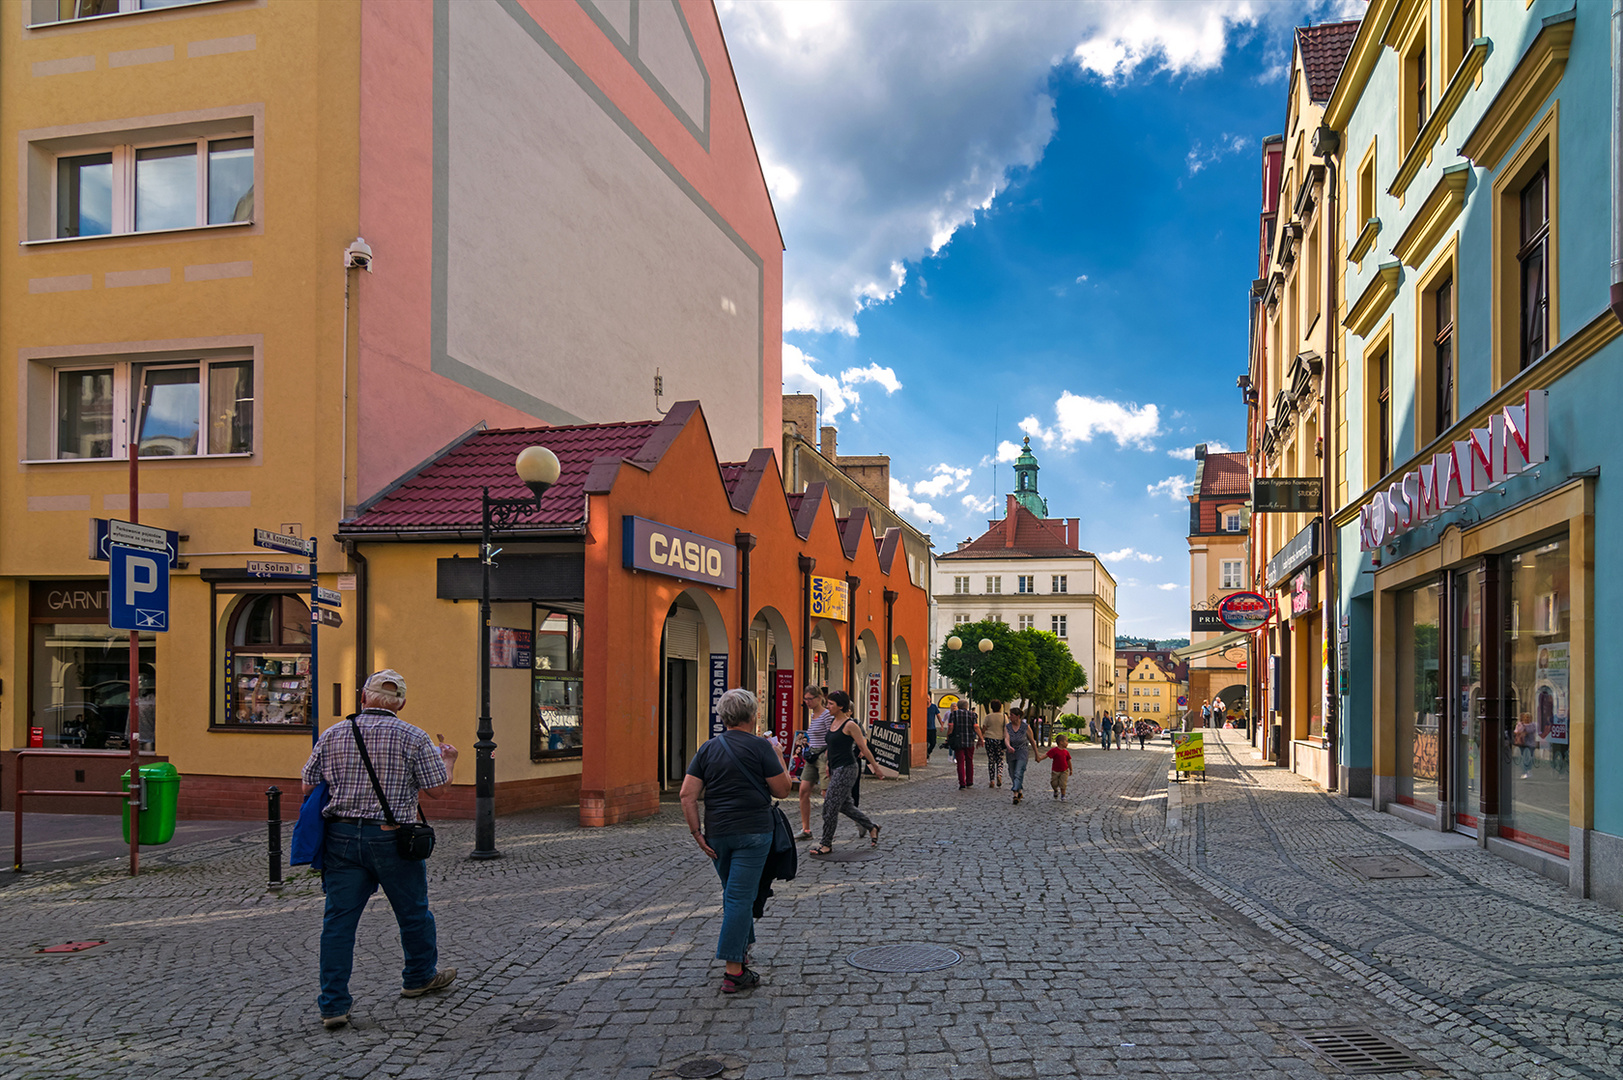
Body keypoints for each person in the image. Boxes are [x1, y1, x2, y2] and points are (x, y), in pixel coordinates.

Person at [302, 669, 459, 1031]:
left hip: (341, 837)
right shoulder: (413, 736)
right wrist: (449, 760)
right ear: (401, 703)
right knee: (413, 912)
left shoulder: (334, 734)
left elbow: (308, 784)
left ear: (362, 698)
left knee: (338, 922)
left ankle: (333, 1005)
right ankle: (419, 976)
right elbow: (437, 790)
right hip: (393, 839)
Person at [680, 688, 791, 994]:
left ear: (723, 717)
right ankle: (734, 971)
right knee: (739, 898)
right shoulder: (761, 747)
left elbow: (687, 795)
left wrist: (697, 833)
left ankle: (743, 945)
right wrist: (779, 756)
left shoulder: (707, 749)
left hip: (718, 834)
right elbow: (782, 790)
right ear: (753, 715)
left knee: (733, 893)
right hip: (753, 833)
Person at [809, 690, 888, 856]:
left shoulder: (850, 725)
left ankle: (826, 844)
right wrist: (828, 763)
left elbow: (863, 747)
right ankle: (871, 826)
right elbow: (831, 746)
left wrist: (876, 767)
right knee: (845, 805)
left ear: (841, 706)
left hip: (847, 768)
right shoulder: (832, 721)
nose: (827, 706)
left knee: (830, 805)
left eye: (831, 704)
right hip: (835, 767)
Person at [796, 686, 833, 839]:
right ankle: (806, 829)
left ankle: (856, 819)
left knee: (826, 793)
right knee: (803, 791)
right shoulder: (812, 715)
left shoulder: (827, 715)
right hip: (812, 756)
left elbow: (832, 737)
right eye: (805, 699)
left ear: (819, 698)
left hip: (823, 756)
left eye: (810, 699)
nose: (807, 702)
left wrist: (828, 759)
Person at [944, 696, 981, 788]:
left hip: (958, 741)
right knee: (969, 761)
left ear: (958, 706)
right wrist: (981, 737)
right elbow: (976, 727)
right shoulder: (973, 715)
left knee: (960, 762)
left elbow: (950, 727)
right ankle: (969, 781)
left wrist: (948, 738)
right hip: (969, 741)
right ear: (967, 706)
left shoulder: (953, 714)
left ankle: (962, 783)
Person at [1005, 707, 1034, 804]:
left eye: (1012, 715)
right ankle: (1019, 791)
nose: (1010, 717)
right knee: (1012, 773)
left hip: (1022, 751)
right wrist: (1008, 746)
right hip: (1011, 752)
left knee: (1018, 772)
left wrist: (1037, 754)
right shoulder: (1008, 727)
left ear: (1018, 716)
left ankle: (1015, 794)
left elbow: (1032, 741)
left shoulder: (1025, 727)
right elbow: (1006, 738)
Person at [981, 700, 1008, 787]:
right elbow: (1007, 728)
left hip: (989, 739)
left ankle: (992, 781)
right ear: (1000, 707)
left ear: (991, 707)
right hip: (1000, 739)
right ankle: (999, 774)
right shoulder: (1004, 716)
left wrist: (981, 737)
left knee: (991, 760)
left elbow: (984, 728)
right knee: (1000, 759)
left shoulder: (988, 717)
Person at [1044, 734, 1073, 799]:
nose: (1067, 743)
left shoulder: (1066, 752)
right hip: (1055, 771)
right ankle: (1055, 790)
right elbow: (1047, 755)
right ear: (1061, 742)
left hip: (1064, 770)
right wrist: (1039, 758)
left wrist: (1070, 769)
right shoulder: (1054, 750)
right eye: (1066, 741)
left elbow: (1069, 761)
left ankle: (1063, 795)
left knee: (1063, 783)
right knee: (1054, 783)